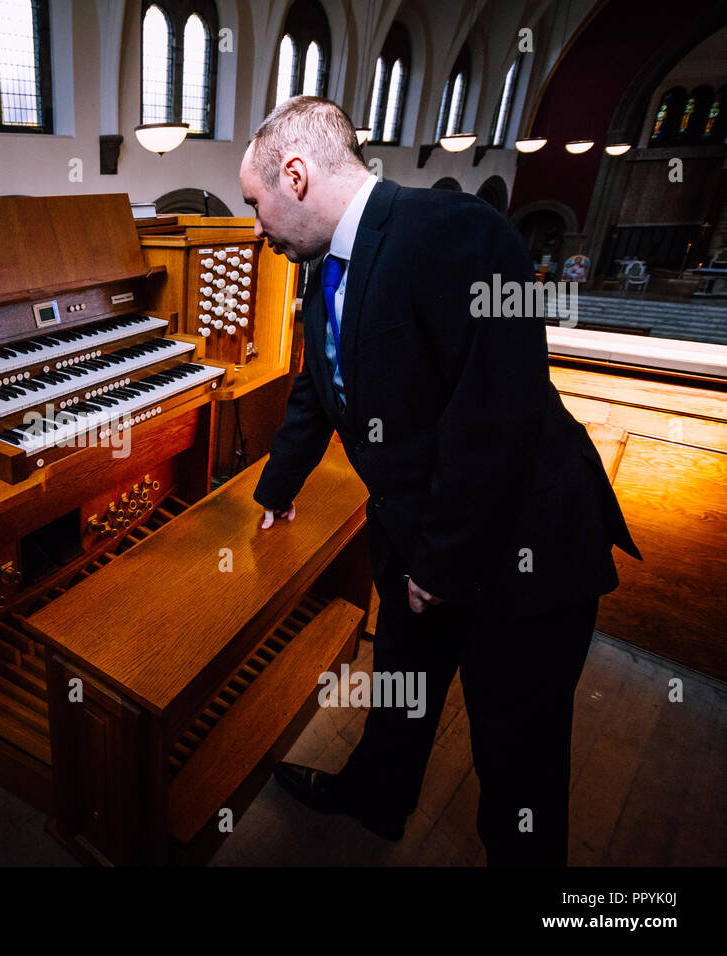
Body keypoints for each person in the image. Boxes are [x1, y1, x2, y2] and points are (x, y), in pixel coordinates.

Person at [238, 96, 641, 866]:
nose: (257, 228)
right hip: (423, 542)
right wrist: (277, 488)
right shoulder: (321, 269)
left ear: (294, 176)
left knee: (517, 763)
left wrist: (441, 562)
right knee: (401, 695)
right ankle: (375, 798)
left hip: (523, 552)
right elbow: (315, 389)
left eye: (256, 206)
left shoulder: (462, 233)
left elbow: (496, 413)